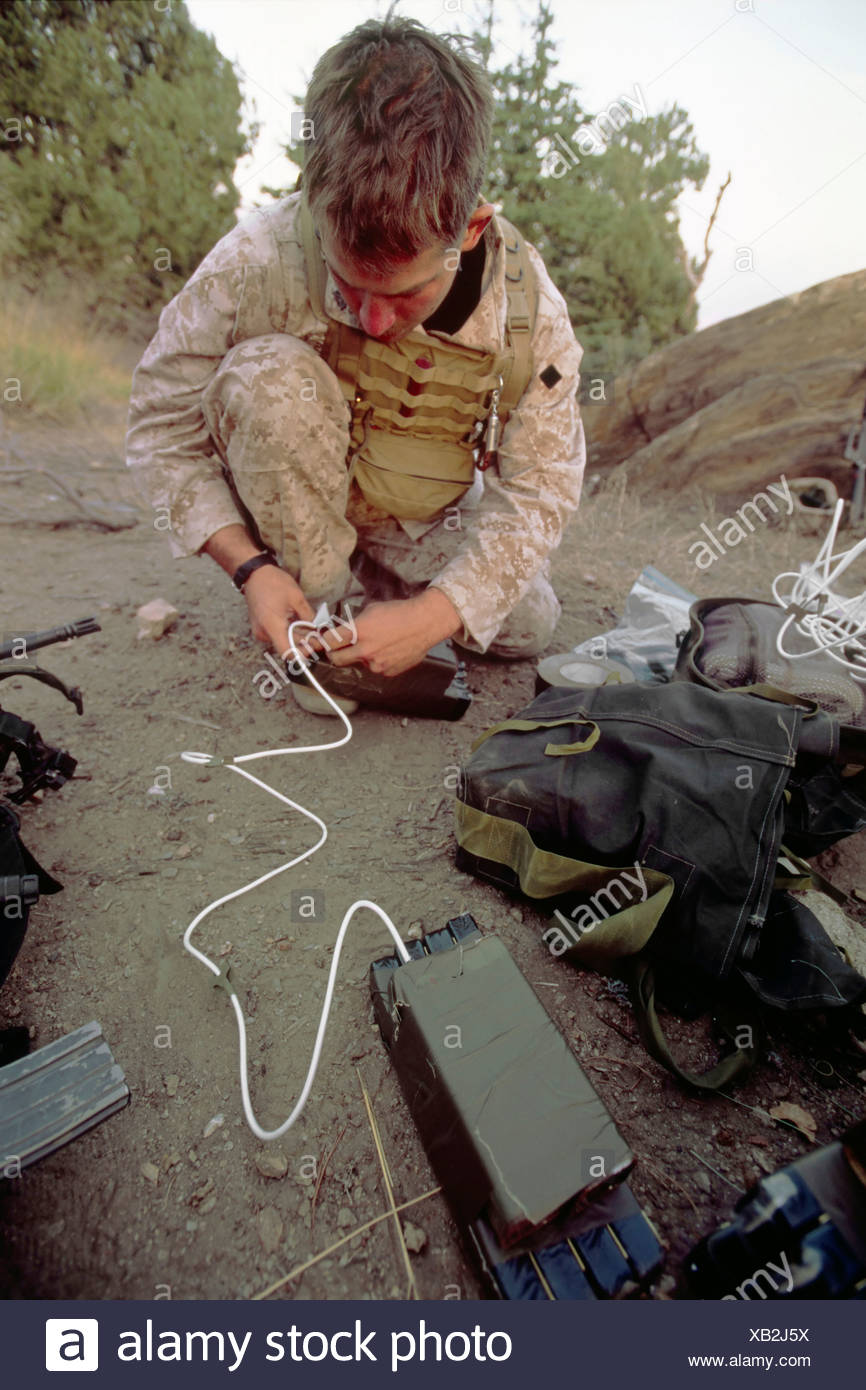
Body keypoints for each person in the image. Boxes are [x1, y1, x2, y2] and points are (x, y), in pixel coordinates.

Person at [126, 14, 586, 713]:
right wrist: (248, 566)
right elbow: (161, 426)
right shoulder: (257, 259)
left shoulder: (529, 313)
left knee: (527, 624)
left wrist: (436, 614)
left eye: (404, 294)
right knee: (268, 381)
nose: (374, 323)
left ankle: (381, 595)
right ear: (316, 203)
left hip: (424, 517)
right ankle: (315, 607)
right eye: (349, 286)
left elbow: (544, 487)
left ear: (470, 230)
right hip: (298, 499)